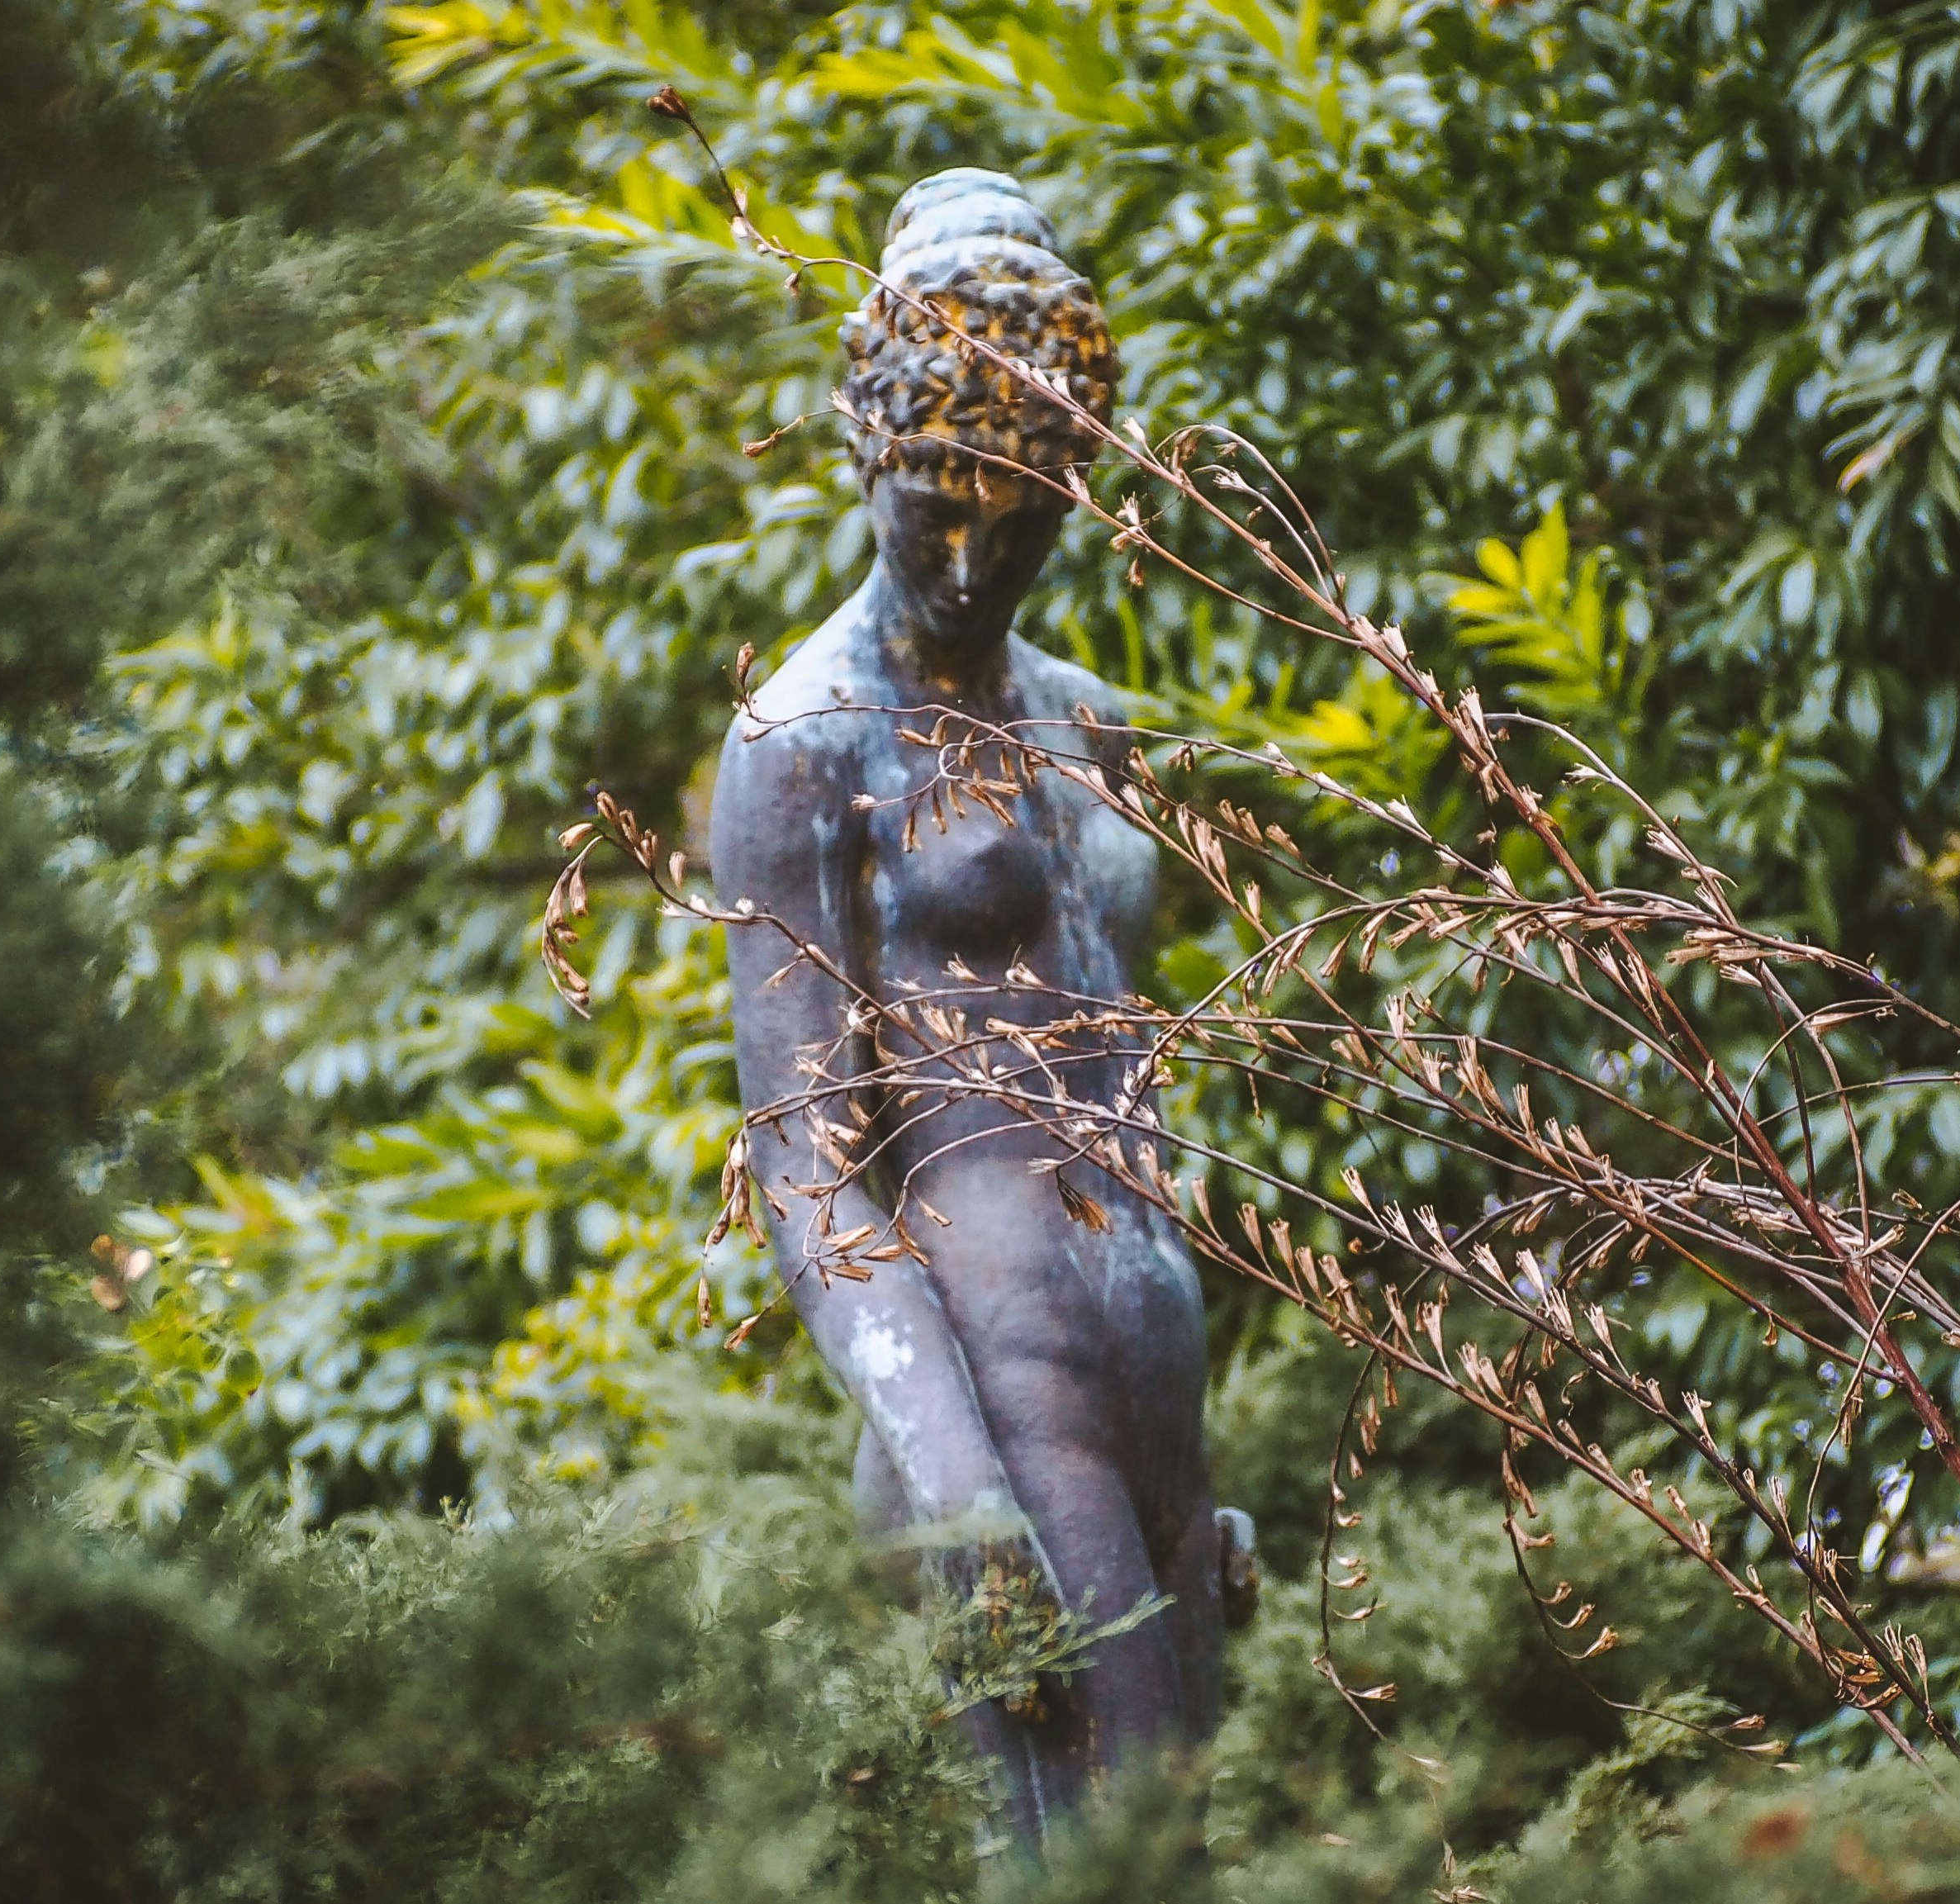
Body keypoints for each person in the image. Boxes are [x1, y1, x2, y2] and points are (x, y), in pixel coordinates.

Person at [710, 169, 1242, 1847]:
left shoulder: (1095, 726)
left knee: (1177, 1869)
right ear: (867, 449)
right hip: (1003, 1423)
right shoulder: (807, 742)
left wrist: (1195, 1462)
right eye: (936, 499)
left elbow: (1118, 1080)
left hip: (1152, 1409)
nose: (969, 552)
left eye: (1018, 509)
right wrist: (959, 1499)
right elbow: (808, 1165)